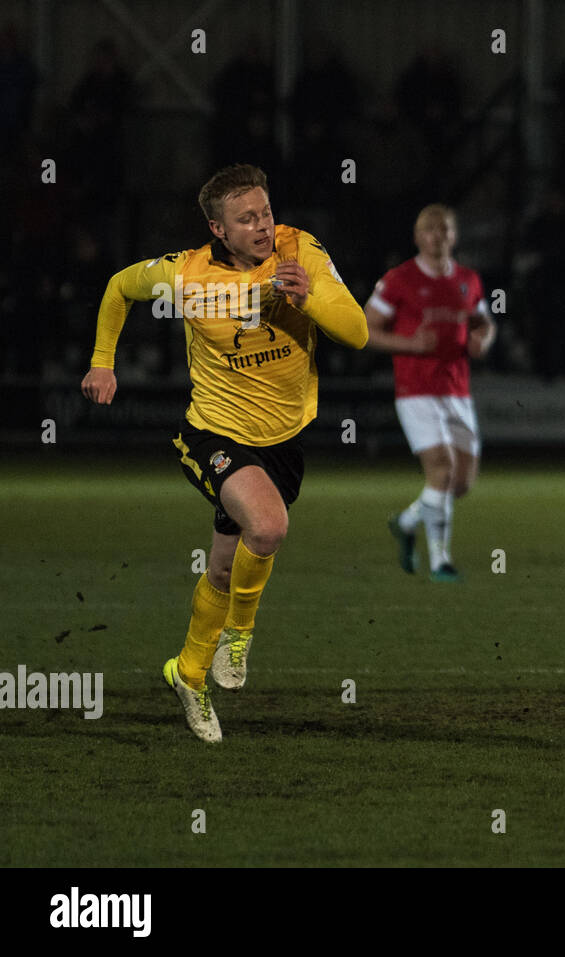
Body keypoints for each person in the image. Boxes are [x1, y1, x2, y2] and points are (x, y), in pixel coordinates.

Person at [80, 164, 368, 743]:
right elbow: (118, 287)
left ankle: (188, 674)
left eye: (265, 211)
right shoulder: (184, 275)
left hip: (283, 439)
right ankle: (239, 635)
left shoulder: (299, 250)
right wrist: (102, 360)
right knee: (268, 526)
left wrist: (307, 298)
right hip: (214, 433)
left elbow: (357, 332)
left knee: (221, 566)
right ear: (218, 228)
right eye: (247, 219)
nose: (263, 225)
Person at [364, 204, 496, 581]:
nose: (437, 236)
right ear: (417, 236)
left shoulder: (468, 279)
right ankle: (440, 560)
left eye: (445, 229)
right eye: (430, 230)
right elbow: (366, 328)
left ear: (454, 236)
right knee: (442, 469)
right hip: (415, 390)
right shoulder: (399, 279)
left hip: (457, 390)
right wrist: (408, 343)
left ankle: (407, 522)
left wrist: (481, 339)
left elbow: (483, 321)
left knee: (462, 483)